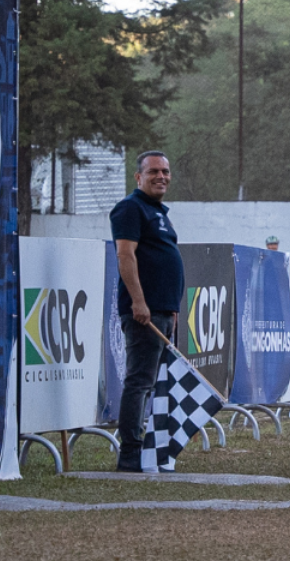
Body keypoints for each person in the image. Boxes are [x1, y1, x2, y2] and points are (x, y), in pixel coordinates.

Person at [109, 151, 185, 472]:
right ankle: (130, 453)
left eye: (166, 171)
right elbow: (126, 256)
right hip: (144, 313)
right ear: (138, 177)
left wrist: (173, 307)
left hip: (164, 311)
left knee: (154, 383)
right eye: (154, 171)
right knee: (139, 382)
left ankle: (150, 448)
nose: (161, 176)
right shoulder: (130, 208)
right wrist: (139, 302)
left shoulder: (159, 213)